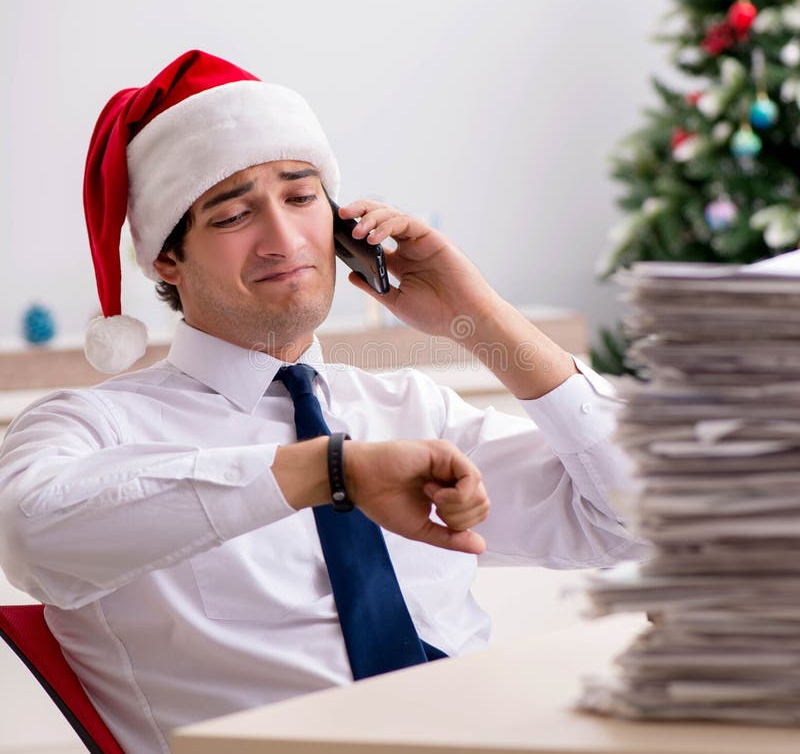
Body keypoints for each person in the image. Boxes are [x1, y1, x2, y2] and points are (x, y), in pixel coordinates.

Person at [0, 50, 646, 753]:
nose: (283, 239)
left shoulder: (414, 412)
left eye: (302, 198)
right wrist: (327, 472)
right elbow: (33, 533)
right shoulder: (91, 426)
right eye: (233, 214)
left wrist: (476, 314)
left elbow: (637, 518)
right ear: (166, 258)